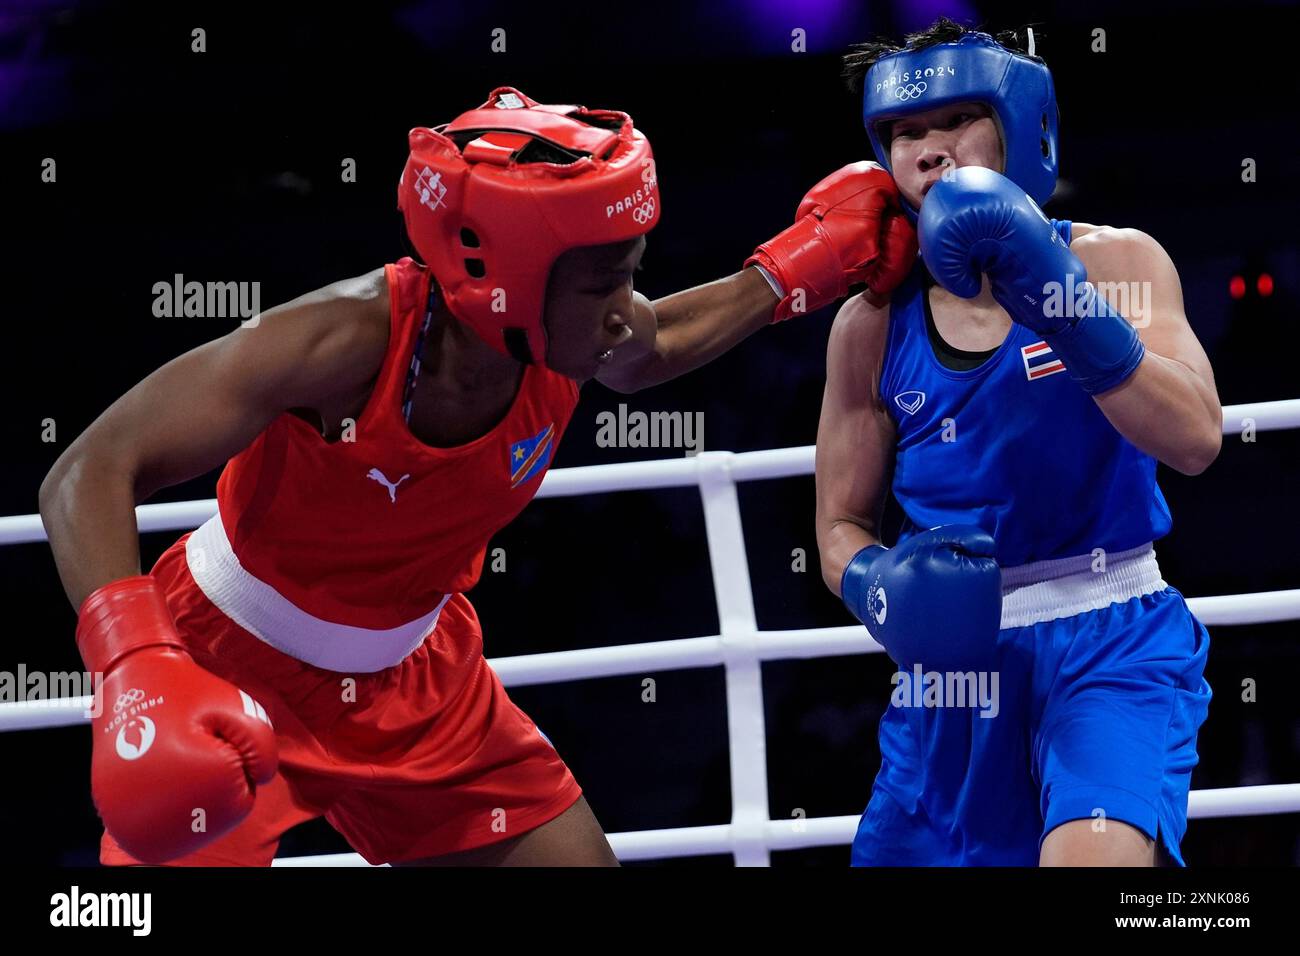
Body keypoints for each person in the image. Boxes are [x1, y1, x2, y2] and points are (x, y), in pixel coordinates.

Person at [40, 86, 915, 866]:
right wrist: (137, 664)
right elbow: (87, 470)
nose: (624, 310)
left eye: (630, 275)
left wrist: (803, 263)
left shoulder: (572, 336)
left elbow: (658, 348)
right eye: (602, 284)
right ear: (506, 281)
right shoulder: (342, 343)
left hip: (420, 681)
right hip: (230, 662)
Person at [816, 21, 1221, 866]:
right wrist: (880, 583)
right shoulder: (870, 323)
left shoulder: (1117, 262)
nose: (927, 150)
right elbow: (838, 528)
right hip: (954, 670)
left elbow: (1195, 438)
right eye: (903, 133)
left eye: (956, 119)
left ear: (1024, 122)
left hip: (1111, 636)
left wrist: (1062, 305)